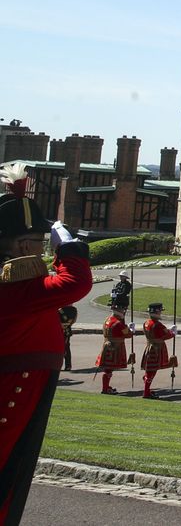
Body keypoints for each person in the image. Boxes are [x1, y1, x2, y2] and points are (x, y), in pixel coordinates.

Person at [0, 167, 91, 525]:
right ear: (22, 247)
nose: (40, 251)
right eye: (36, 243)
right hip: (14, 383)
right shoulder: (14, 289)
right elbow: (76, 282)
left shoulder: (18, 286)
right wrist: (67, 247)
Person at [97, 295, 134, 394]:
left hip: (107, 345)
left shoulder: (108, 319)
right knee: (109, 369)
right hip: (115, 347)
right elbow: (128, 335)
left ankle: (106, 387)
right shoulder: (118, 323)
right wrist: (131, 329)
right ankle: (105, 389)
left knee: (108, 368)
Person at [140, 302, 175, 399]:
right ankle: (146, 392)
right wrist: (172, 332)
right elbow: (166, 335)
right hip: (156, 349)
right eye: (160, 312)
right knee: (152, 370)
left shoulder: (146, 323)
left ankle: (147, 388)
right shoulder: (158, 324)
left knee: (150, 369)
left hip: (149, 347)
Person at [59, 304, 78, 371]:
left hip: (58, 330)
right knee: (67, 348)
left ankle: (57, 365)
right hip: (67, 330)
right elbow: (74, 320)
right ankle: (68, 365)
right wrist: (67, 325)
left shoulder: (59, 309)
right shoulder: (74, 310)